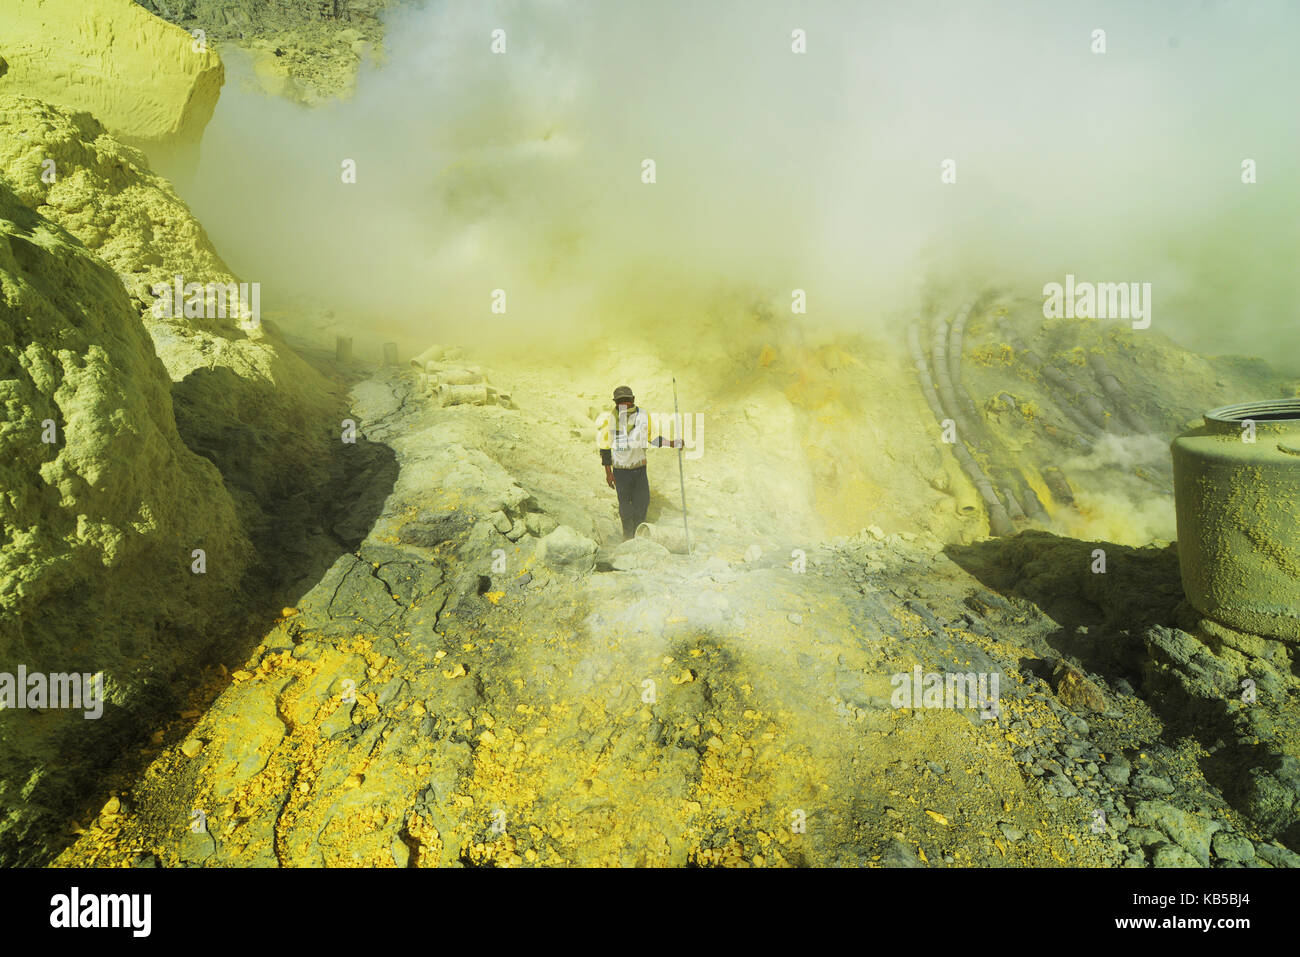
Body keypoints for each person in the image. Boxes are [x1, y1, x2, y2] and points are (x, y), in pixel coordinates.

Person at [596, 385, 682, 540]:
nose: (624, 404)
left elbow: (653, 438)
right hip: (621, 470)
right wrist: (608, 474)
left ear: (633, 399)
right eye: (620, 401)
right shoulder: (610, 420)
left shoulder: (643, 415)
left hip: (639, 468)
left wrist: (673, 443)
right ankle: (627, 536)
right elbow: (605, 448)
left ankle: (639, 535)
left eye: (626, 401)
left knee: (642, 502)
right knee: (625, 505)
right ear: (615, 403)